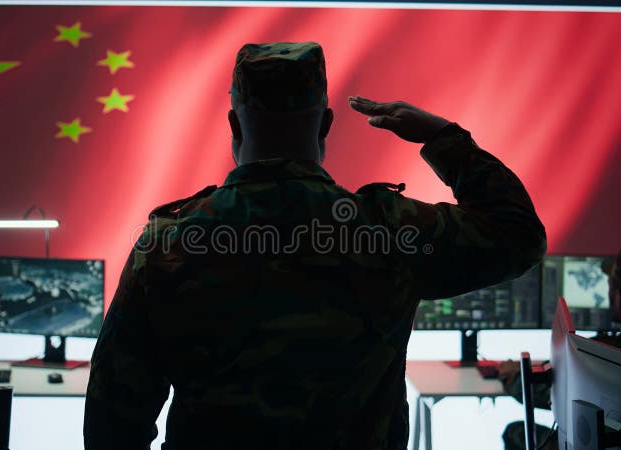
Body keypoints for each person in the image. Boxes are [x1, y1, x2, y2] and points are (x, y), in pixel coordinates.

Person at [83, 41, 546, 450]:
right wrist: (443, 139)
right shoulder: (389, 231)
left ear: (234, 125)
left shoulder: (168, 244)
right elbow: (517, 235)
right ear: (325, 124)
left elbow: (112, 423)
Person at [498, 244, 621, 450]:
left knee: (514, 433)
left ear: (618, 296)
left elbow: (553, 393)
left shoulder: (601, 355)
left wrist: (512, 378)